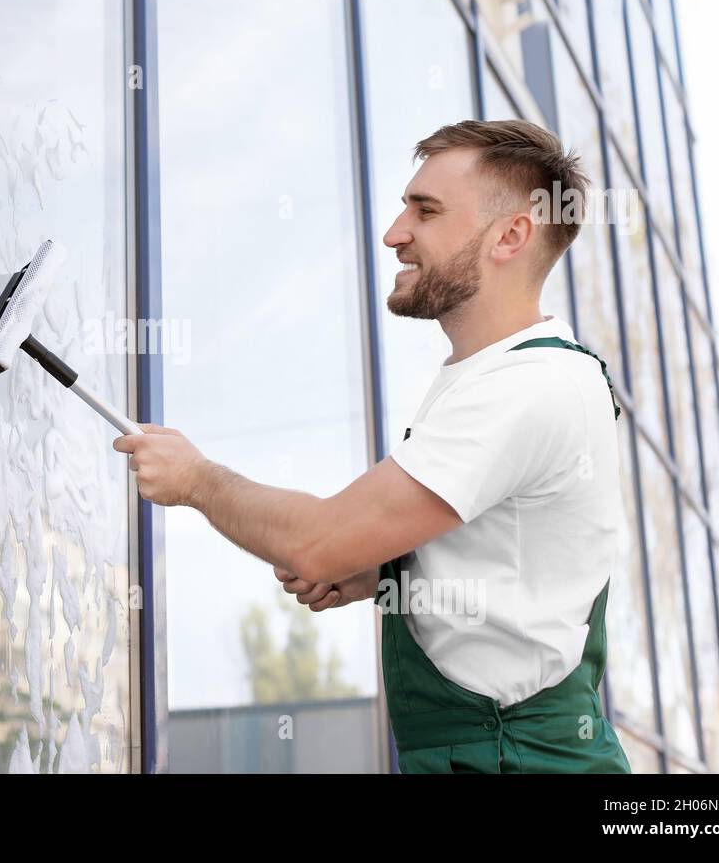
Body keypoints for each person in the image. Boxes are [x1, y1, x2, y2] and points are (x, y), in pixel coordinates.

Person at [115, 119, 631, 774]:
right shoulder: (492, 379)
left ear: (510, 236)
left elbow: (317, 541)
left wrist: (197, 480)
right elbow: (509, 562)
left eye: (426, 211)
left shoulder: (530, 385)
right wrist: (392, 573)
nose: (395, 234)